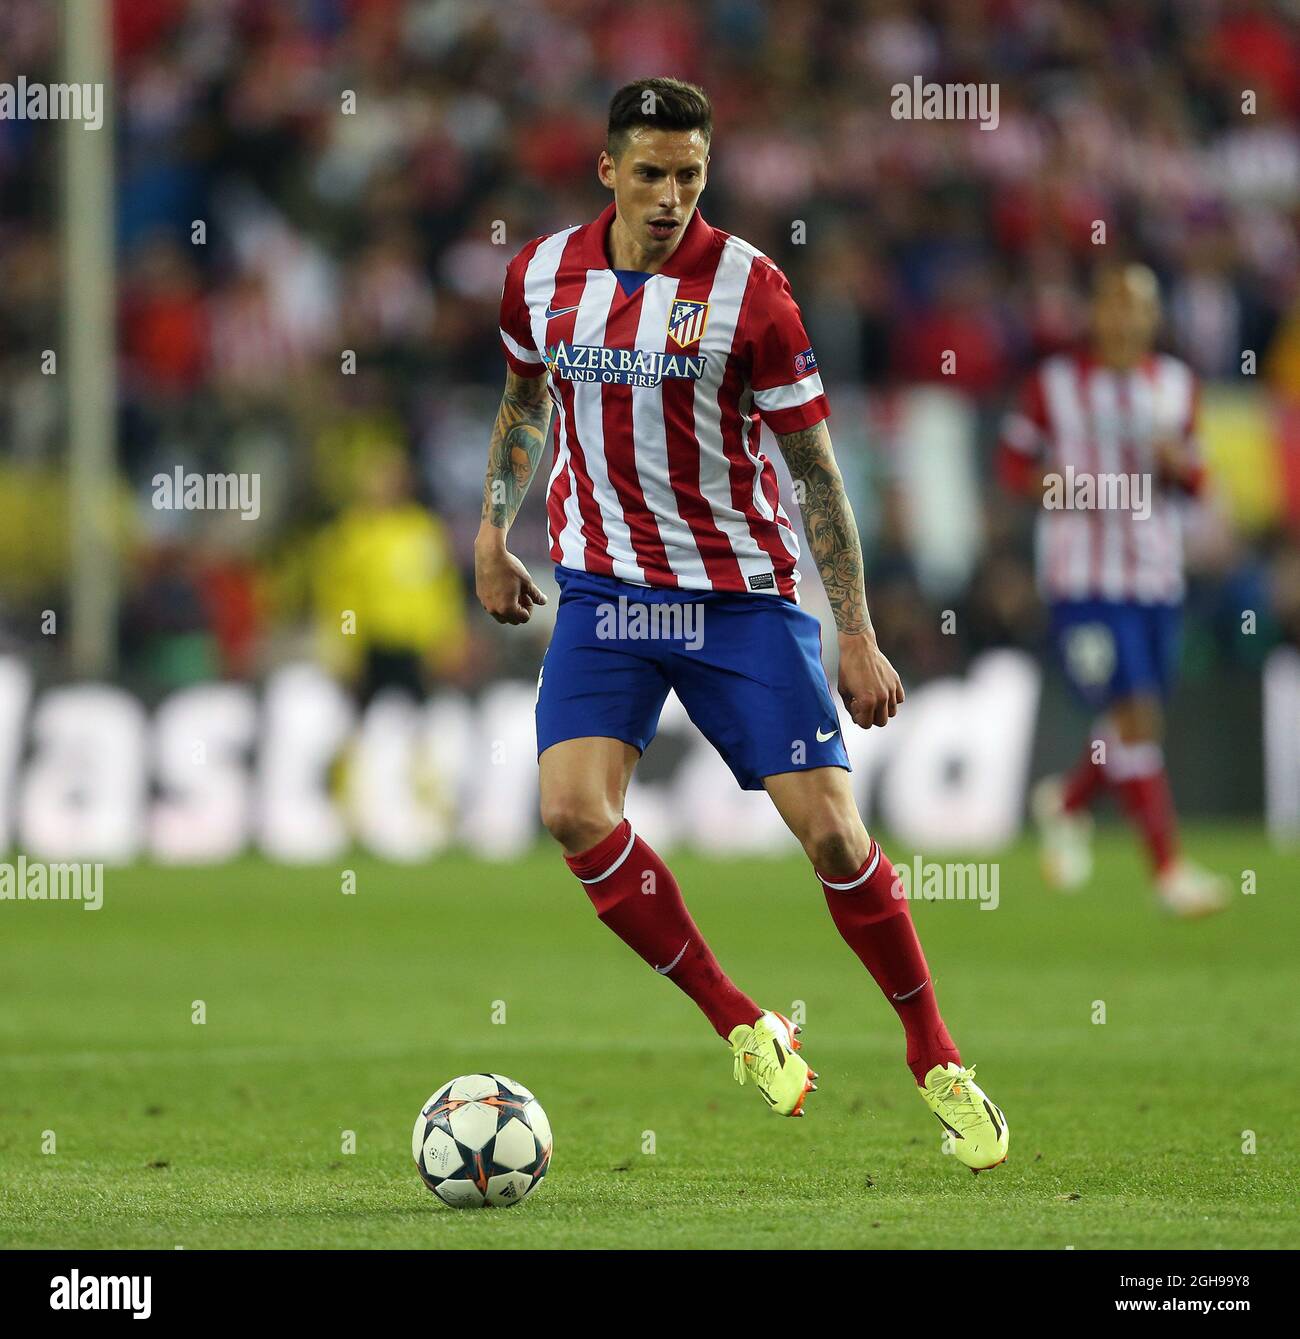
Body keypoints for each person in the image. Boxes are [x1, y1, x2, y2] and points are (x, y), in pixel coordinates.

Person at [475, 77, 1007, 1172]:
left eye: (691, 176)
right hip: (604, 596)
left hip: (737, 598)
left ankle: (935, 1055)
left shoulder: (751, 291)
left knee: (832, 835)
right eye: (652, 173)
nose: (671, 196)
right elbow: (527, 400)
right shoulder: (536, 278)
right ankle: (741, 1023)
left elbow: (815, 471)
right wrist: (492, 529)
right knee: (572, 813)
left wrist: (852, 628)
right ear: (607, 169)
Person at [999, 263, 1228, 917]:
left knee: (1130, 719)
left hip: (1157, 577)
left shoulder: (1178, 386)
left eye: (1138, 307)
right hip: (1083, 581)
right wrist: (1051, 485)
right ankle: (1168, 870)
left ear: (1155, 318)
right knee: (1136, 715)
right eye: (1114, 304)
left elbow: (1199, 478)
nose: (1125, 318)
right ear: (1095, 313)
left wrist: (1183, 466)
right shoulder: (1056, 385)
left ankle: (1067, 802)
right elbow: (1014, 463)